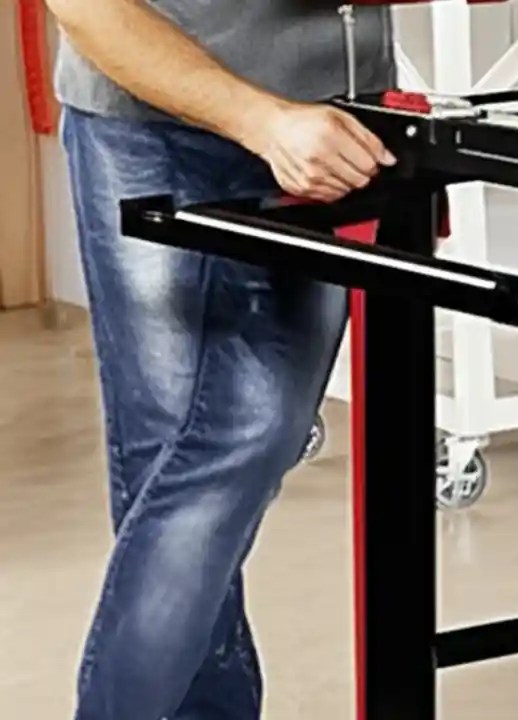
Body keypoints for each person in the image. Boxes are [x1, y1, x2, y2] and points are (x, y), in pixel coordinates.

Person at [43, 1, 398, 717]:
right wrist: (263, 122)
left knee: (235, 453)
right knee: (208, 449)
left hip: (330, 129)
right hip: (155, 130)